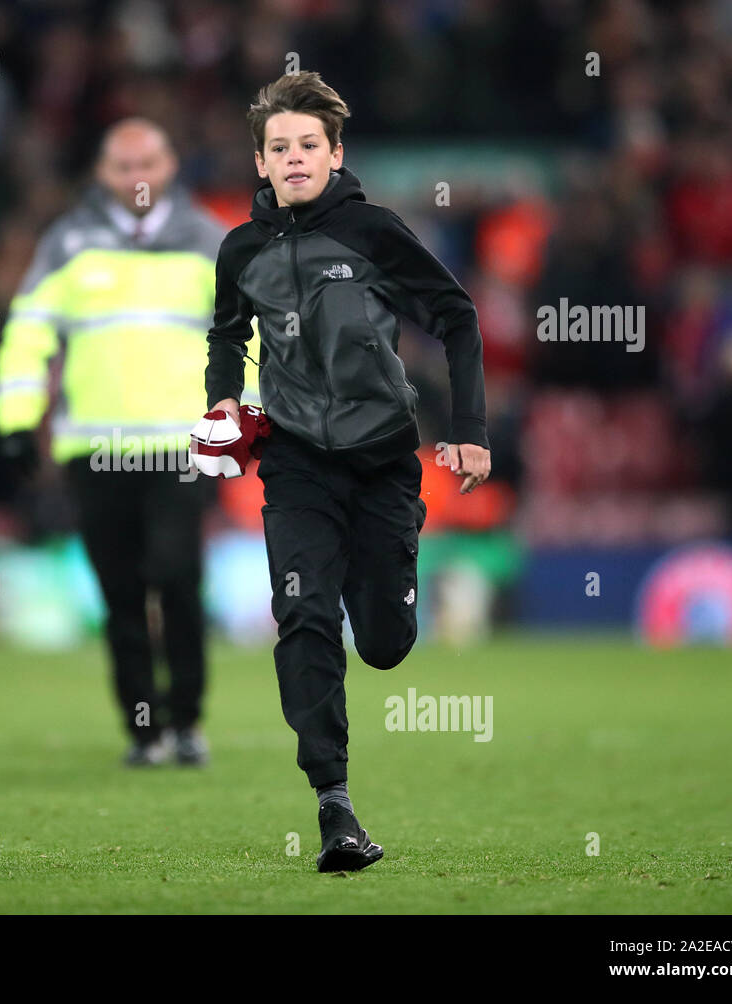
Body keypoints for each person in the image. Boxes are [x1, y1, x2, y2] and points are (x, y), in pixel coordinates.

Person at [204, 72, 491, 871]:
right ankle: (333, 802)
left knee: (387, 645)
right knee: (302, 617)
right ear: (260, 164)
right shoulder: (241, 250)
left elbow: (458, 315)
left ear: (335, 154)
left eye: (308, 145)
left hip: (383, 463)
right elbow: (225, 336)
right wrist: (223, 403)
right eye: (278, 148)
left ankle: (394, 599)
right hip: (294, 462)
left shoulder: (373, 233)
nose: (294, 158)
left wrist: (467, 431)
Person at [0, 119, 257, 767]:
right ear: (102, 174)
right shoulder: (69, 244)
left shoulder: (208, 241)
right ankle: (144, 729)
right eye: (122, 164)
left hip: (181, 444)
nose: (137, 175)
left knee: (175, 575)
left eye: (149, 161)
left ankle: (186, 719)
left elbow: (245, 338)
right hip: (94, 447)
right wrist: (15, 418)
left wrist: (247, 423)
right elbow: (28, 333)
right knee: (118, 591)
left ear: (171, 165)